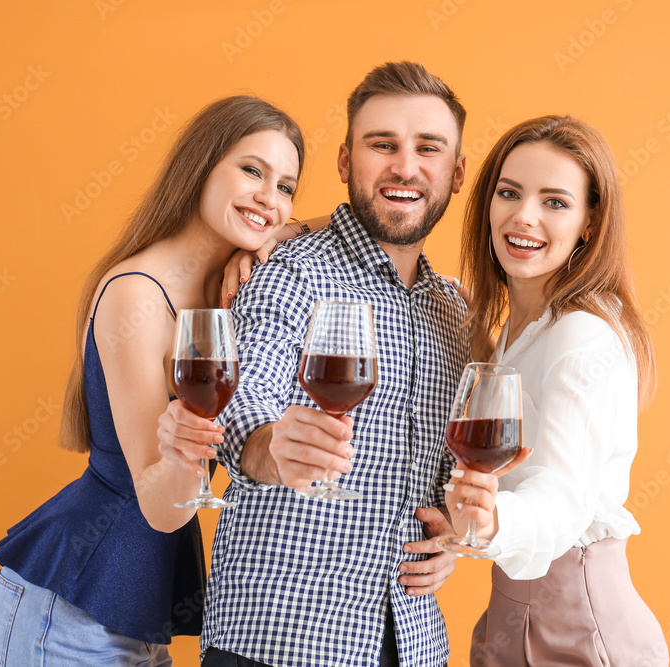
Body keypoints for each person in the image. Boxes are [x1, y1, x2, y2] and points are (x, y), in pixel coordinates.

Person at [156, 61, 470, 667]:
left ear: (455, 174)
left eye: (427, 148)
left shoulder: (453, 312)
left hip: (410, 643)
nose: (405, 166)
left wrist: (452, 537)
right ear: (346, 163)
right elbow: (242, 412)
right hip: (279, 640)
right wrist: (275, 448)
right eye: (383, 145)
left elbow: (445, 477)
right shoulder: (291, 269)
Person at [0, 95, 305, 665]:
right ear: (201, 166)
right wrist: (189, 448)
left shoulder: (225, 289)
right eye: (252, 171)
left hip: (133, 618)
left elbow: (318, 227)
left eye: (285, 186)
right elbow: (159, 503)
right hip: (69, 615)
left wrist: (284, 232)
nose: (268, 198)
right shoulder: (137, 293)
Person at [445, 115, 669, 666]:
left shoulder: (579, 334)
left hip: (576, 629)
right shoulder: (512, 329)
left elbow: (563, 498)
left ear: (590, 223)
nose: (524, 217)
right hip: (515, 616)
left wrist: (494, 522)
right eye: (509, 193)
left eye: (555, 202)